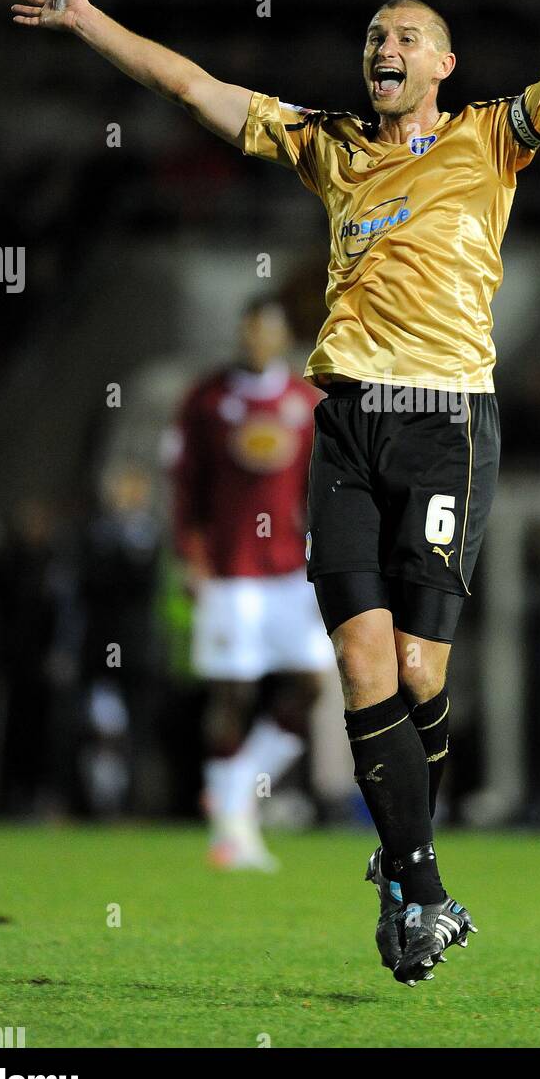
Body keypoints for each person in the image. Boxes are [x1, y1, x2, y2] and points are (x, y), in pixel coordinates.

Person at [12, 0, 540, 983]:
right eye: (375, 36)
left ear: (445, 64)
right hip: (342, 424)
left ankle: (407, 864)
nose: (384, 48)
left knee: (420, 673)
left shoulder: (492, 136)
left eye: (405, 36)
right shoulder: (327, 144)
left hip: (446, 423)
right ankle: (416, 886)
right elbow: (196, 89)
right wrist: (94, 25)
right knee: (361, 660)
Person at [168, 295, 330, 869]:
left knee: (312, 684)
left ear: (285, 338)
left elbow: (320, 494)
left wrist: (325, 558)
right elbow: (185, 487)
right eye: (249, 330)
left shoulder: (305, 403)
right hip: (229, 570)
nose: (256, 339)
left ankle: (234, 793)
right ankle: (232, 829)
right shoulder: (207, 400)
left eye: (267, 330)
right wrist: (190, 556)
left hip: (288, 572)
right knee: (231, 692)